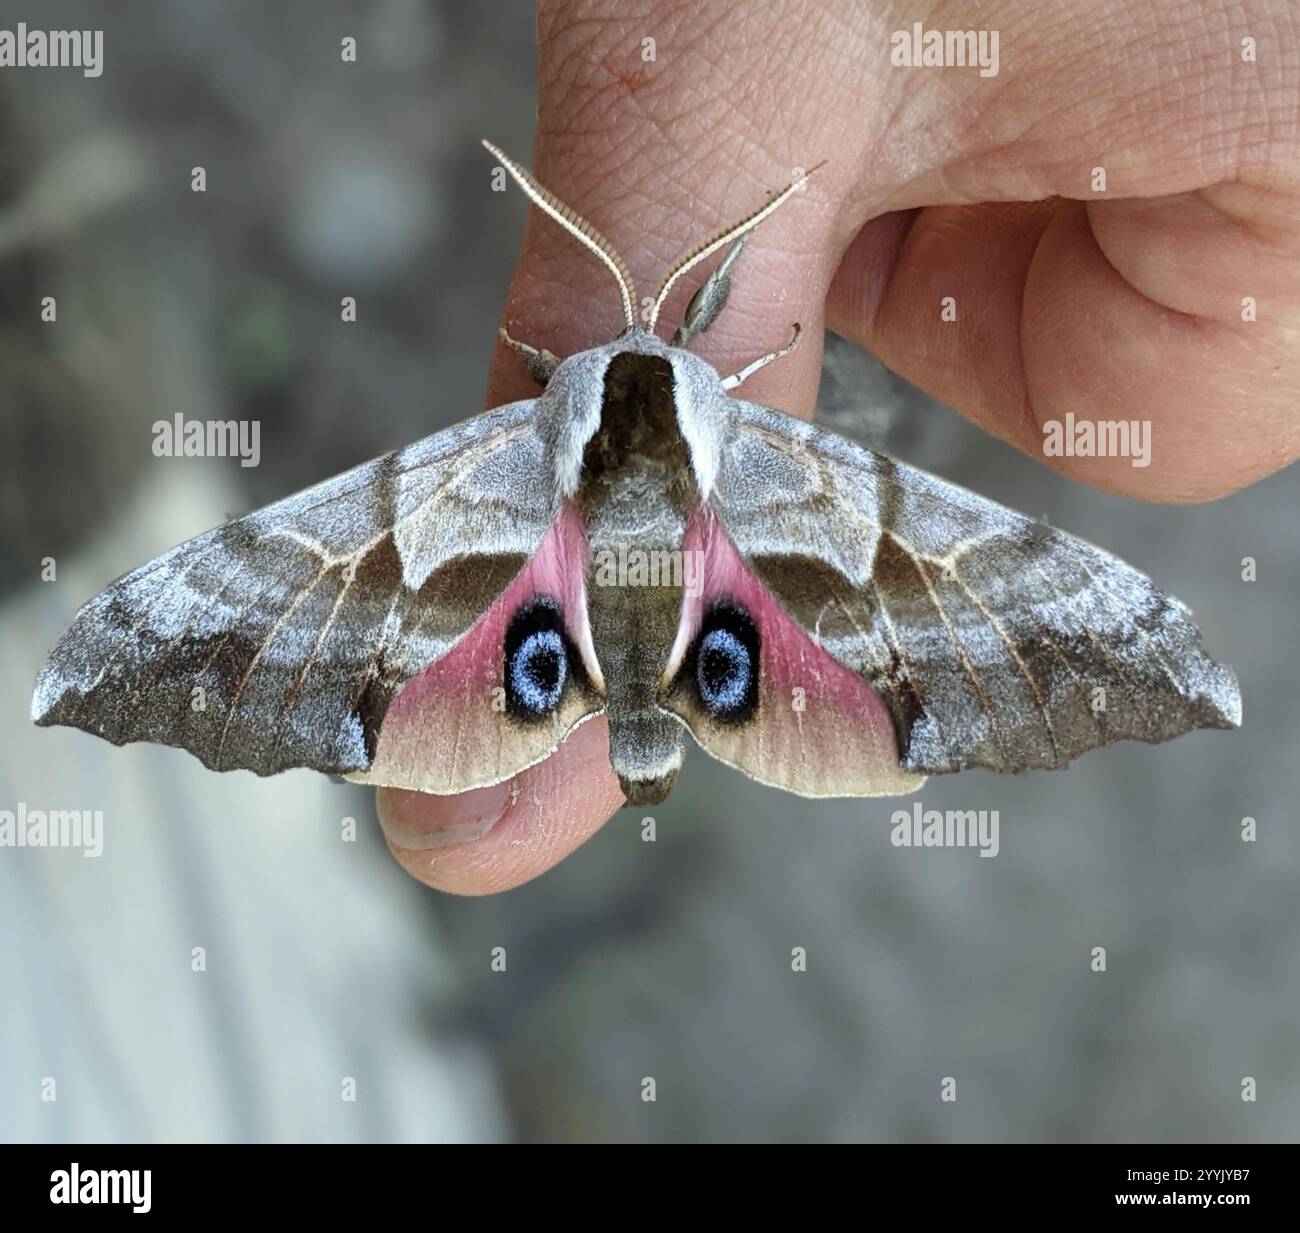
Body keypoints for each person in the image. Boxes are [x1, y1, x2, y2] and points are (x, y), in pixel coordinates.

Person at [378, 0, 1300, 893]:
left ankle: (543, 677)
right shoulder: (739, 411)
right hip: (729, 644)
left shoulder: (531, 435)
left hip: (557, 633)